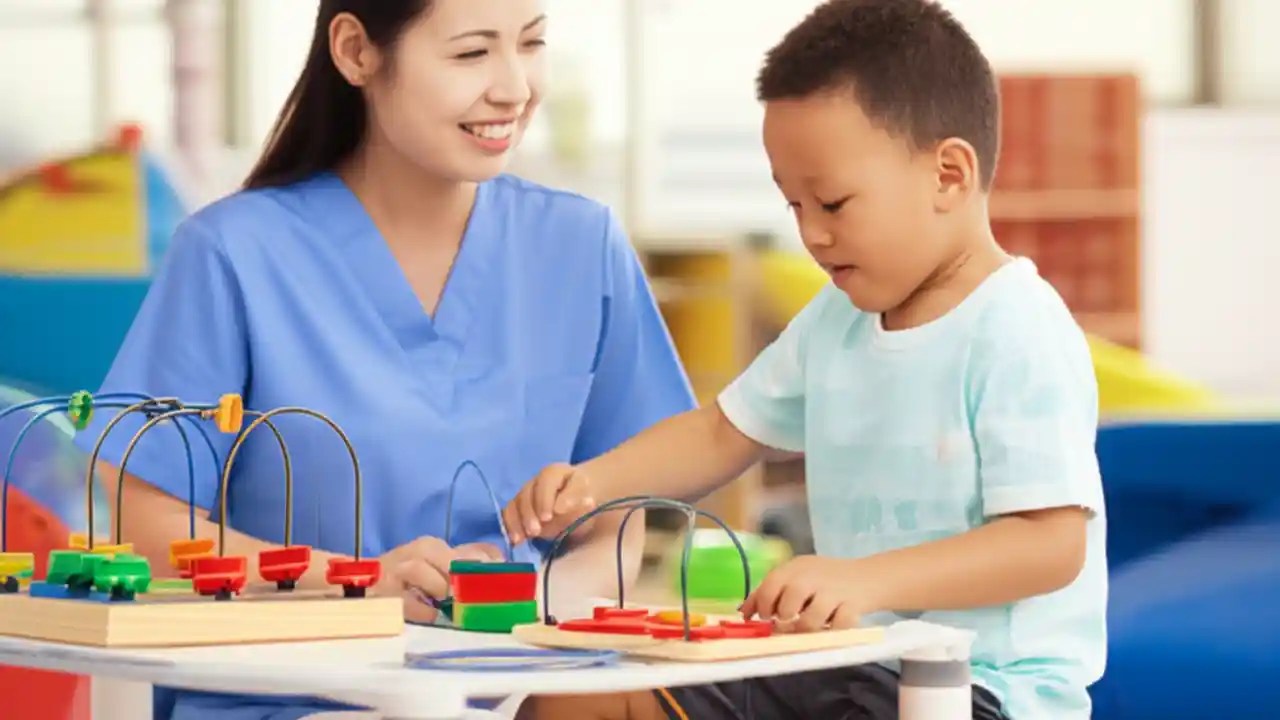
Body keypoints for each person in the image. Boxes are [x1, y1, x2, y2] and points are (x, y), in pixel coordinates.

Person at [74, 0, 694, 718]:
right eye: (471, 53)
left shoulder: (581, 246)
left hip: (511, 691)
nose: (515, 86)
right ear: (356, 52)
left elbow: (614, 522)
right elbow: (142, 522)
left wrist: (529, 610)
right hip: (292, 698)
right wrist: (350, 583)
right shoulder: (233, 254)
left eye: (531, 43)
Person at [504, 1, 1108, 719]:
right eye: (794, 206)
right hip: (843, 658)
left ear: (948, 174)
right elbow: (722, 434)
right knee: (581, 704)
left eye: (833, 202)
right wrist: (590, 482)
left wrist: (864, 581)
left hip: (982, 687)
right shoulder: (835, 322)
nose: (813, 236)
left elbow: (1050, 547)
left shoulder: (1017, 329)